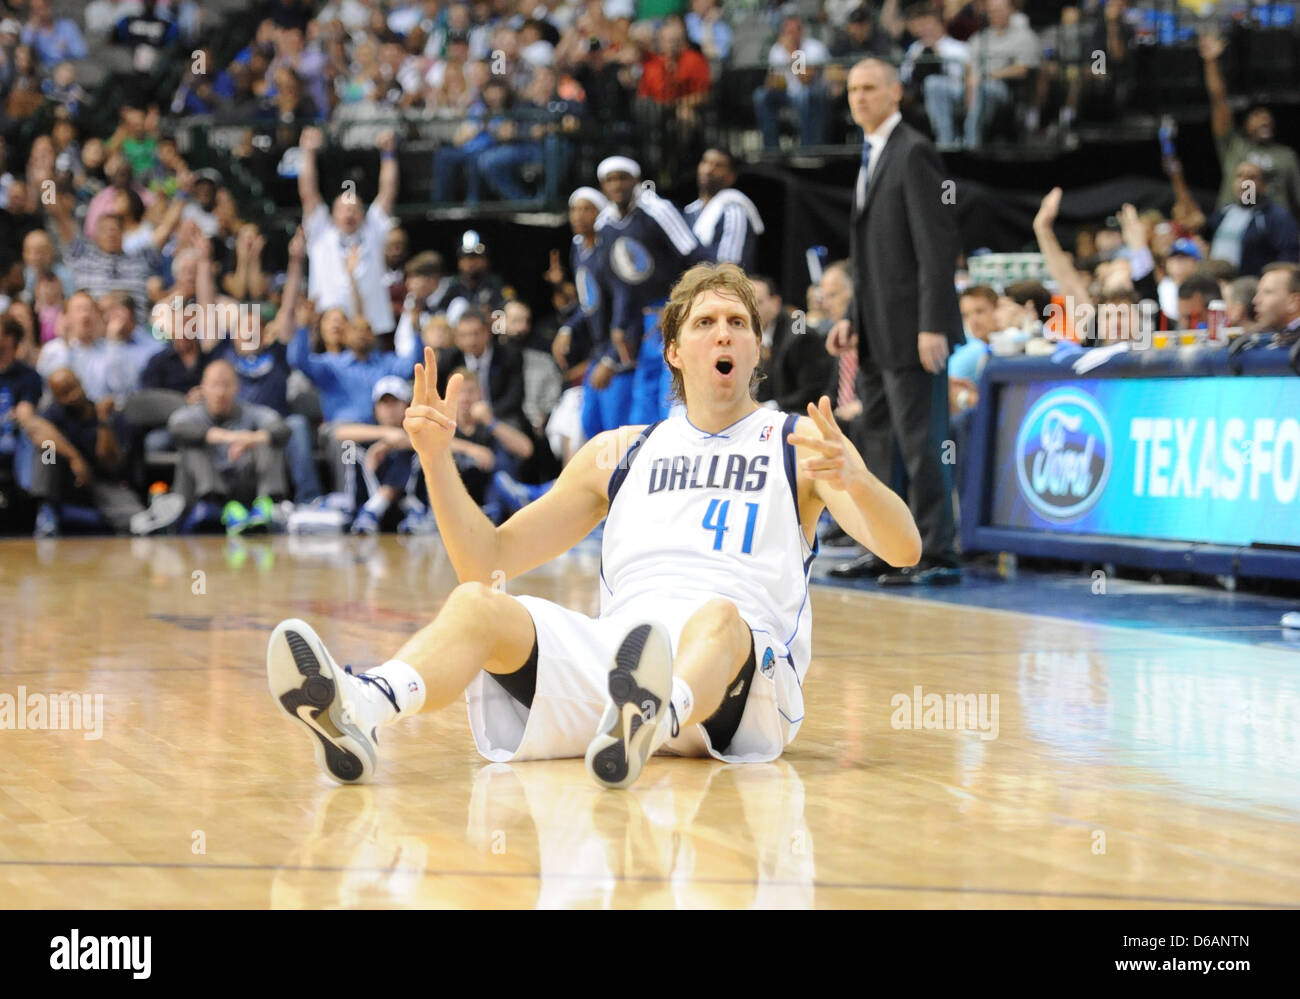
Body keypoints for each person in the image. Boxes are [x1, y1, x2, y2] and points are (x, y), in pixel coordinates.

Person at [266, 262, 921, 788]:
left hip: (740, 679)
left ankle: (655, 715)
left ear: (757, 348)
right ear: (673, 349)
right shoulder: (619, 450)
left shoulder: (798, 440)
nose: (723, 332)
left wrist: (857, 478)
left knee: (718, 617)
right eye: (706, 322)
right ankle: (366, 706)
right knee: (476, 604)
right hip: (620, 670)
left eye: (738, 323)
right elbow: (487, 558)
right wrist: (437, 462)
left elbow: (903, 548)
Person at [827, 59, 963, 585]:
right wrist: (851, 317)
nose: (858, 98)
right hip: (877, 332)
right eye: (852, 90)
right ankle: (887, 547)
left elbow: (936, 246)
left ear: (895, 92)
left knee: (922, 443)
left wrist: (934, 323)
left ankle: (937, 553)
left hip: (914, 332)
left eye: (868, 88)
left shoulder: (914, 151)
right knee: (880, 445)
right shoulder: (871, 154)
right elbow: (870, 257)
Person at [297, 126, 400, 340]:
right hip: (329, 329)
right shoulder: (321, 232)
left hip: (370, 329)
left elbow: (388, 191)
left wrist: (388, 153)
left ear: (362, 214)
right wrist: (307, 152)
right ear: (332, 214)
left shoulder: (373, 231)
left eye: (354, 209)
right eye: (344, 209)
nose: (349, 214)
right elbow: (308, 192)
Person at [682, 148, 764, 273]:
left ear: (731, 176)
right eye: (705, 162)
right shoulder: (689, 211)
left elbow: (728, 267)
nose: (708, 170)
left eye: (718, 166)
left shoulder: (734, 210)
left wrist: (689, 248)